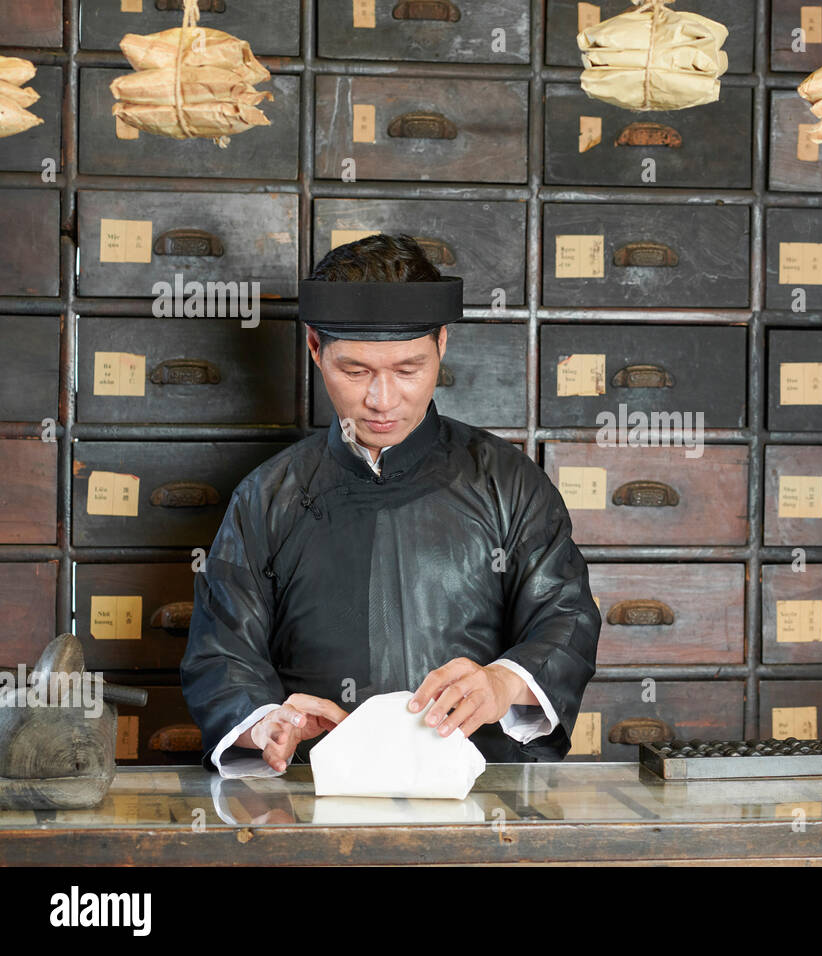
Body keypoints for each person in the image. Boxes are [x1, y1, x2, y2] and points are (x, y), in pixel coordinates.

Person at [180, 233, 601, 776]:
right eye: (355, 372)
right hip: (314, 793)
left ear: (441, 345)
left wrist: (502, 682)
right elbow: (222, 651)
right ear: (314, 348)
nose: (382, 400)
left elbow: (564, 617)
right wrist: (264, 721)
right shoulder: (265, 496)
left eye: (408, 369)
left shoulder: (509, 481)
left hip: (477, 792)